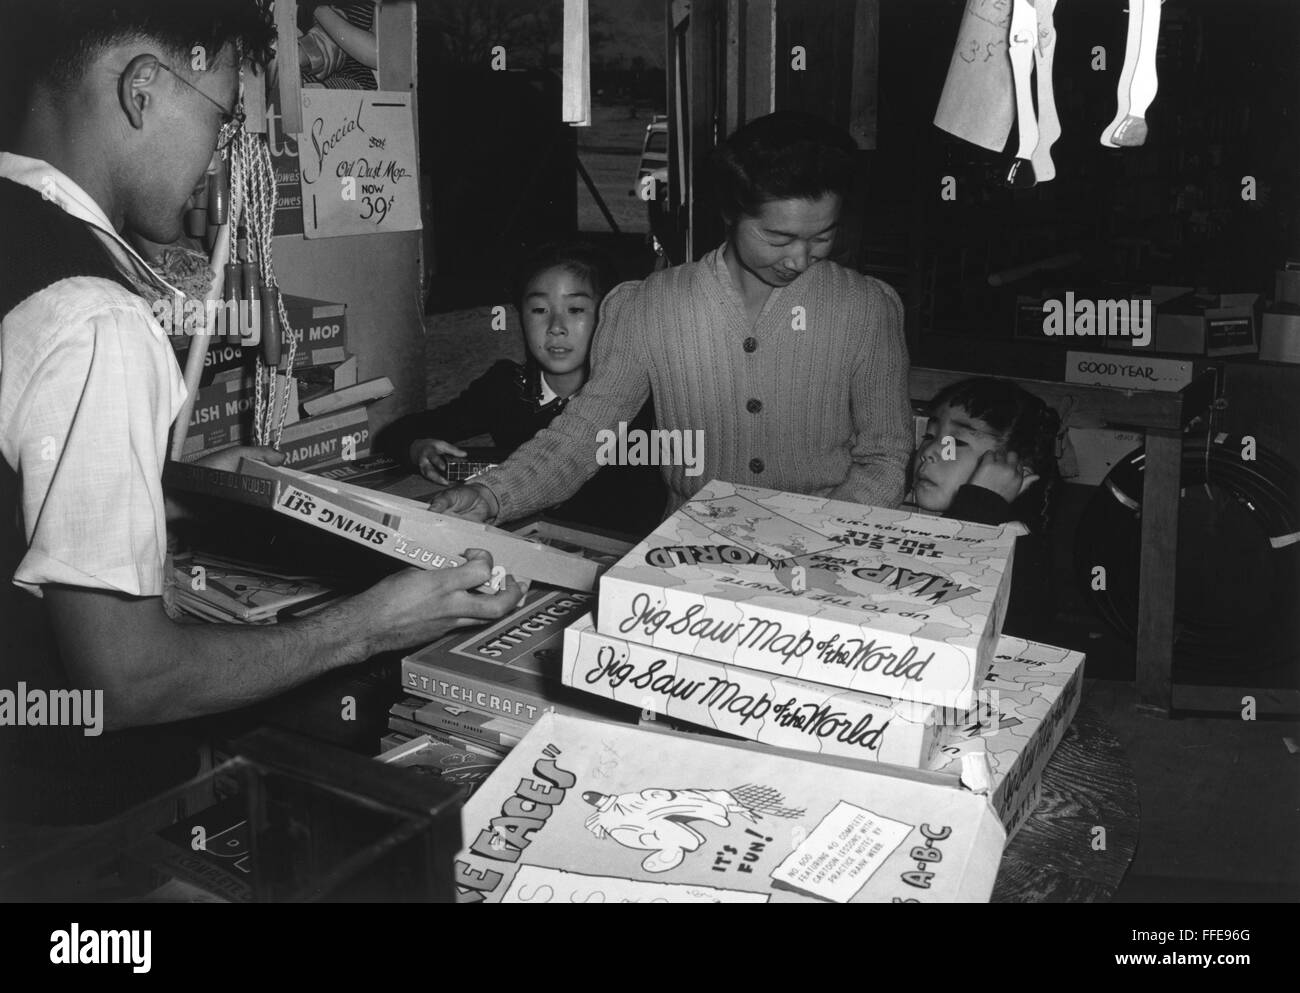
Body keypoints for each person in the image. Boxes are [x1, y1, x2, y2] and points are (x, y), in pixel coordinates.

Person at [0, 0, 522, 832]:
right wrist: (372, 623)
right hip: (57, 822)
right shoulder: (95, 319)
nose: (220, 160)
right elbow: (126, 682)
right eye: (222, 121)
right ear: (143, 90)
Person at [429, 111, 913, 525]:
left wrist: (821, 538)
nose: (799, 259)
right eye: (778, 238)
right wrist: (493, 495)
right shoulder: (649, 306)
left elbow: (885, 457)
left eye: (822, 237)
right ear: (730, 213)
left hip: (826, 547)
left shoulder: (866, 309)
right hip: (686, 555)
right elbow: (583, 438)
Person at [377, 243, 667, 535]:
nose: (556, 326)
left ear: (609, 317)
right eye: (539, 310)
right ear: (520, 317)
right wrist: (418, 449)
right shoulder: (506, 387)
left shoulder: (637, 401)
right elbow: (396, 433)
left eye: (576, 309)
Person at [910, 377, 1062, 641]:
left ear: (1012, 471)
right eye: (929, 436)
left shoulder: (1020, 552)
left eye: (955, 443)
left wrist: (982, 502)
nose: (929, 451)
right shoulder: (957, 523)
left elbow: (933, 602)